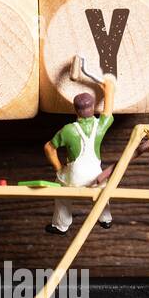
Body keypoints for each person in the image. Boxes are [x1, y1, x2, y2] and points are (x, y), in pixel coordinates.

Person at [43, 75, 116, 235]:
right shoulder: (100, 126)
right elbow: (108, 112)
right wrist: (109, 90)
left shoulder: (68, 130)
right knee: (103, 189)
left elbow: (48, 148)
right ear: (92, 108)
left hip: (74, 177)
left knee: (61, 190)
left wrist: (59, 168)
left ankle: (61, 225)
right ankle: (105, 219)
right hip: (95, 176)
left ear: (76, 110)